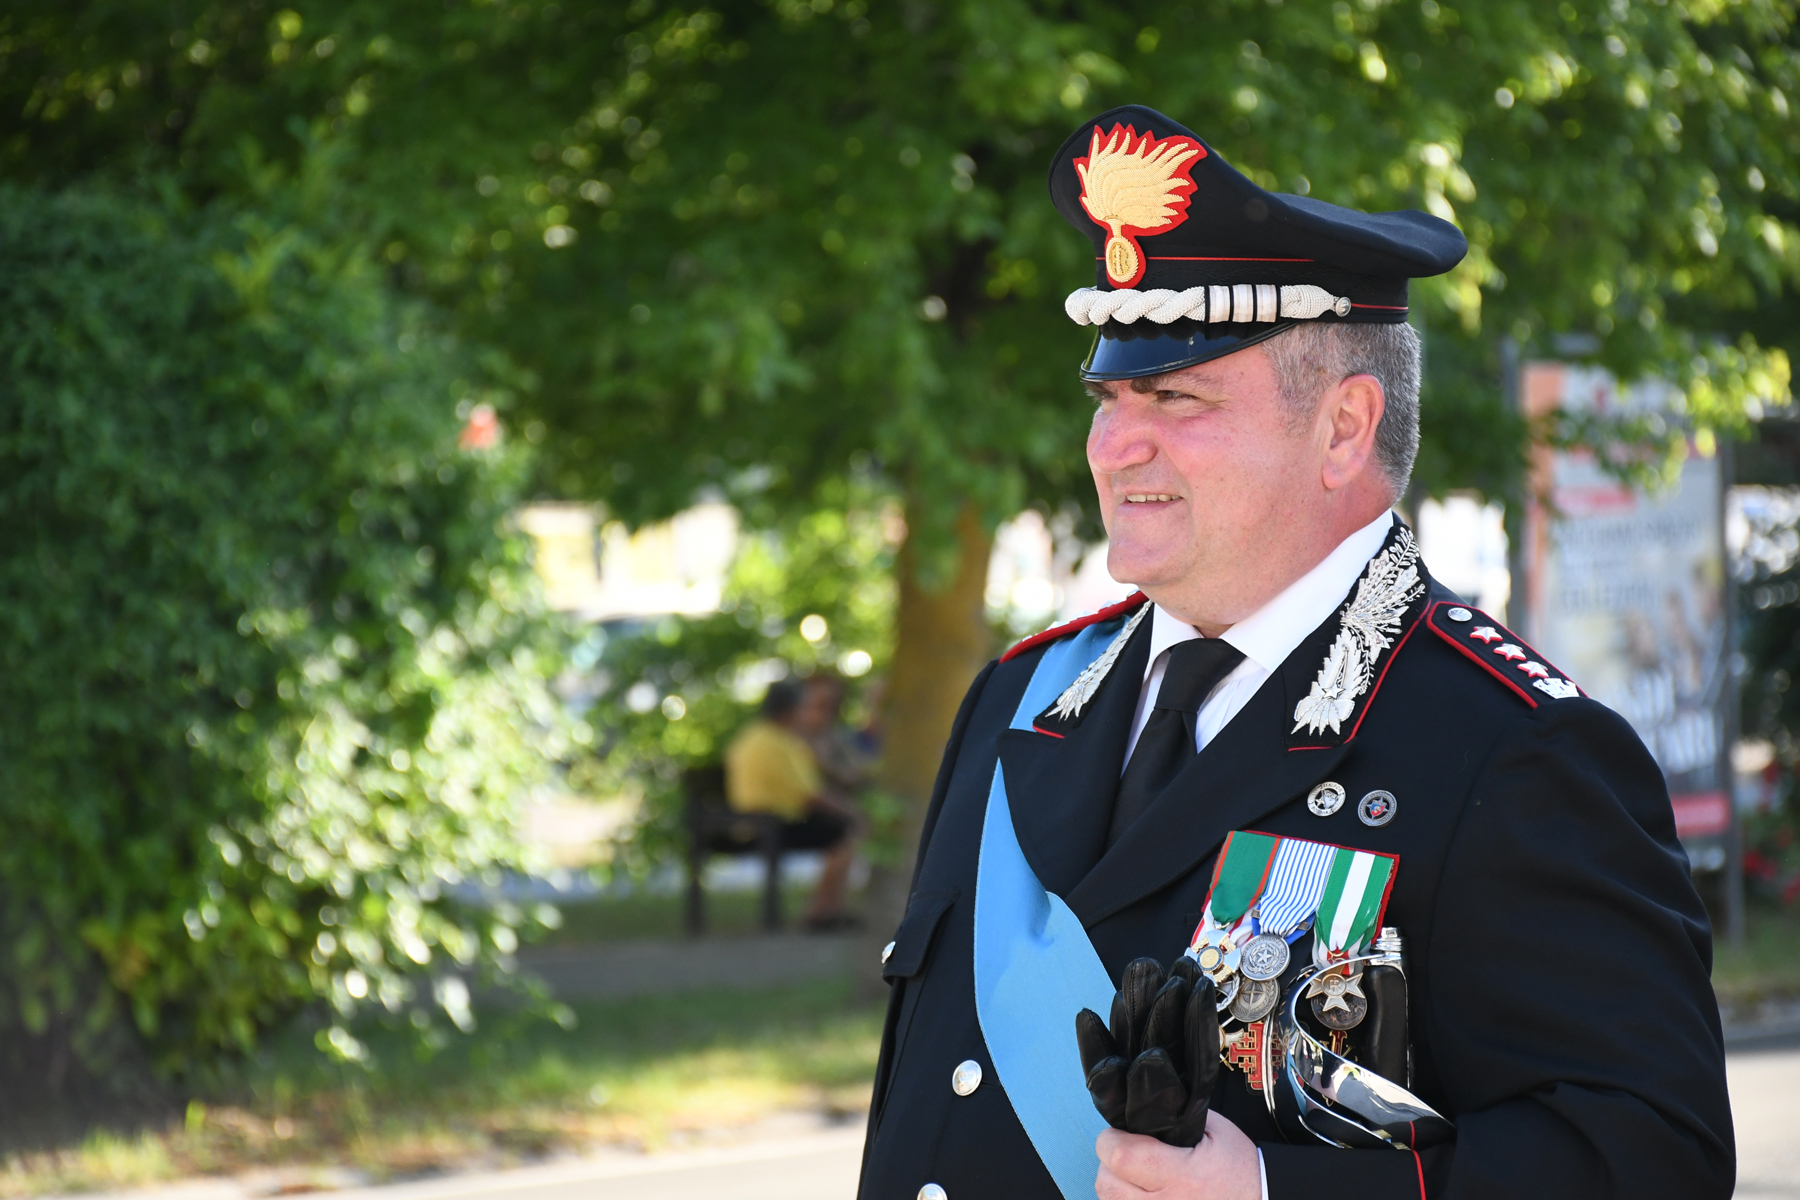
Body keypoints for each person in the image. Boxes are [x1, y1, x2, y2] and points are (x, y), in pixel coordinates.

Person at [856, 105, 1732, 1200]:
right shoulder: (1019, 698)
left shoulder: (1509, 745)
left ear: (1344, 429)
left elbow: (1647, 1159)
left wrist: (1276, 1195)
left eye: (1175, 397)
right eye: (1110, 397)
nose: (1117, 444)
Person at [723, 679, 861, 930]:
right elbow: (809, 795)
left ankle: (825, 909)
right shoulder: (776, 742)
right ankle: (822, 911)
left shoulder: (756, 736)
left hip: (756, 821)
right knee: (843, 831)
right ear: (790, 710)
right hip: (767, 824)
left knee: (838, 828)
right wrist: (853, 812)